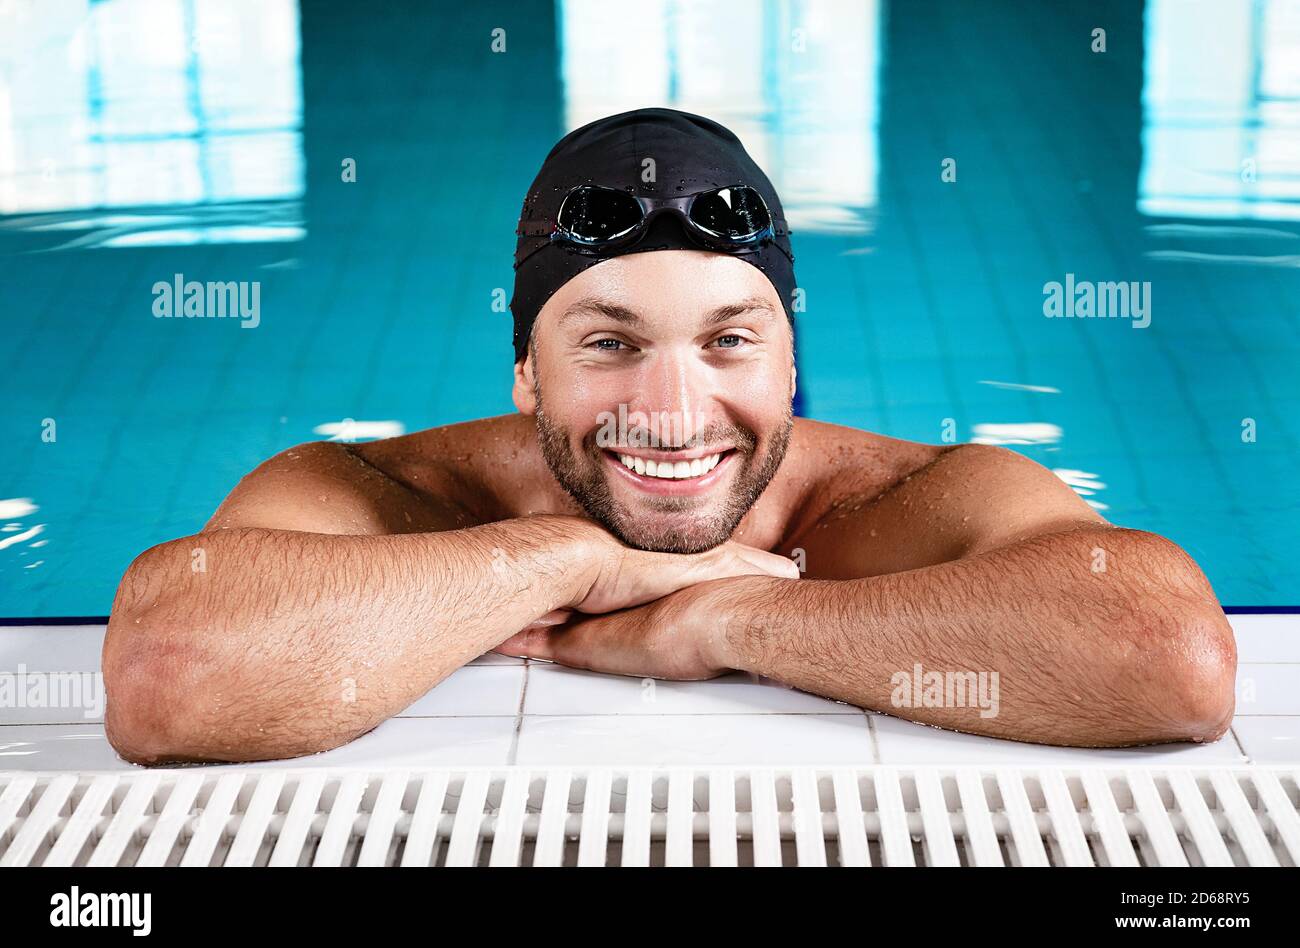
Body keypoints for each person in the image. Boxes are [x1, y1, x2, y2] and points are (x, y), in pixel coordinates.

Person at [103, 108, 1235, 765]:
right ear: (523, 376)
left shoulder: (912, 499)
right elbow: (169, 674)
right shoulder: (374, 491)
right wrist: (578, 557)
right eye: (606, 344)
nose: (673, 411)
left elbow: (1168, 659)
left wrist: (733, 616)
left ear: (791, 365)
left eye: (729, 342)